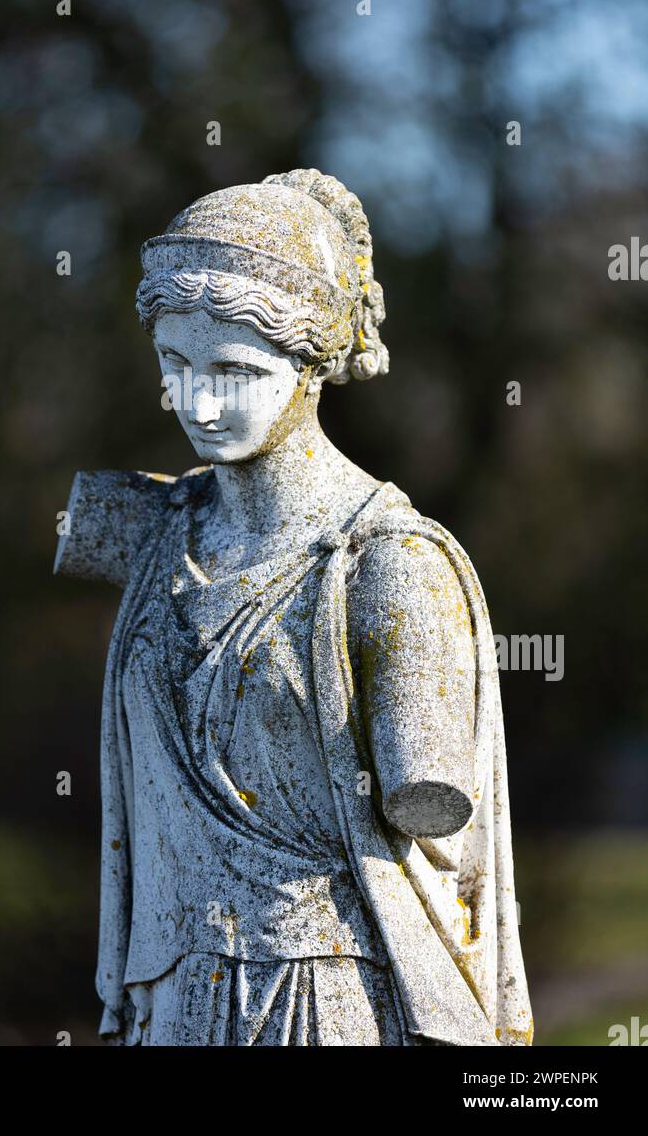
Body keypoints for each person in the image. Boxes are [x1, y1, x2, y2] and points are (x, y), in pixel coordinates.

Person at [55, 169, 533, 1047]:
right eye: (175, 363)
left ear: (312, 363)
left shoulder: (391, 570)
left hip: (321, 998)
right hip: (168, 990)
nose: (197, 402)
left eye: (235, 370)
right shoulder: (153, 525)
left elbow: (430, 804)